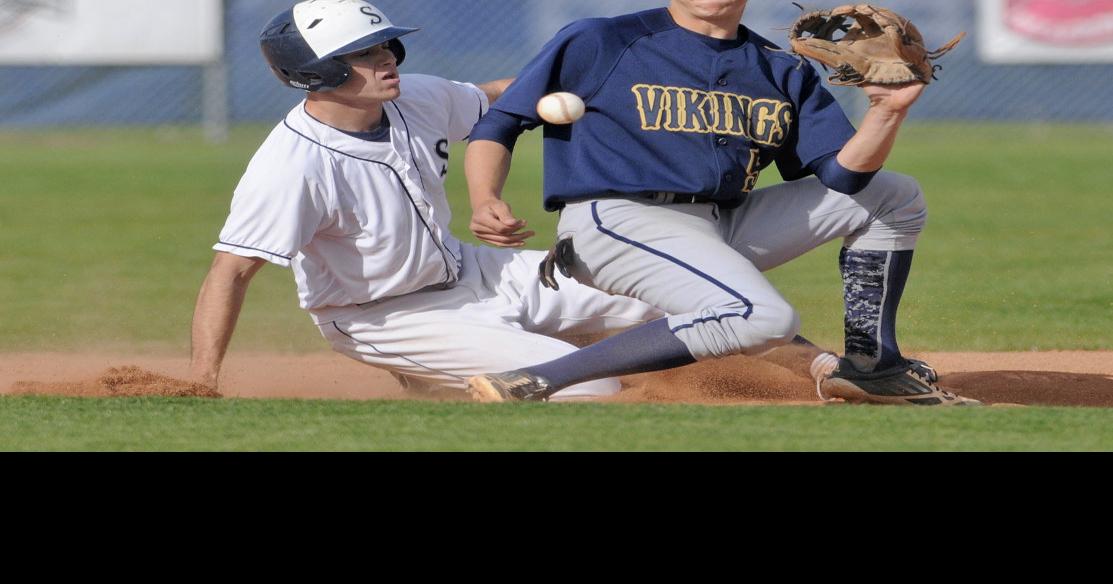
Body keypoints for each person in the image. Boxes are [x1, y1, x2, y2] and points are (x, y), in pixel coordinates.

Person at [463, 0, 980, 406]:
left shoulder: (780, 68)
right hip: (615, 219)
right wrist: (485, 197)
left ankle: (873, 366)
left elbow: (843, 178)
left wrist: (886, 112)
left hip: (718, 221)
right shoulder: (601, 40)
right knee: (762, 317)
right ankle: (534, 379)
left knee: (892, 194)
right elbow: (500, 122)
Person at [188, 0, 666, 401]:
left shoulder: (413, 98)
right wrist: (203, 382)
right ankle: (463, 372)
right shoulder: (294, 167)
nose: (387, 59)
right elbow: (230, 272)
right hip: (386, 316)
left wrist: (589, 83)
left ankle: (485, 358)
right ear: (317, 71)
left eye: (384, 46)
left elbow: (498, 96)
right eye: (362, 53)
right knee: (591, 387)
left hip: (471, 270)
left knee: (667, 291)